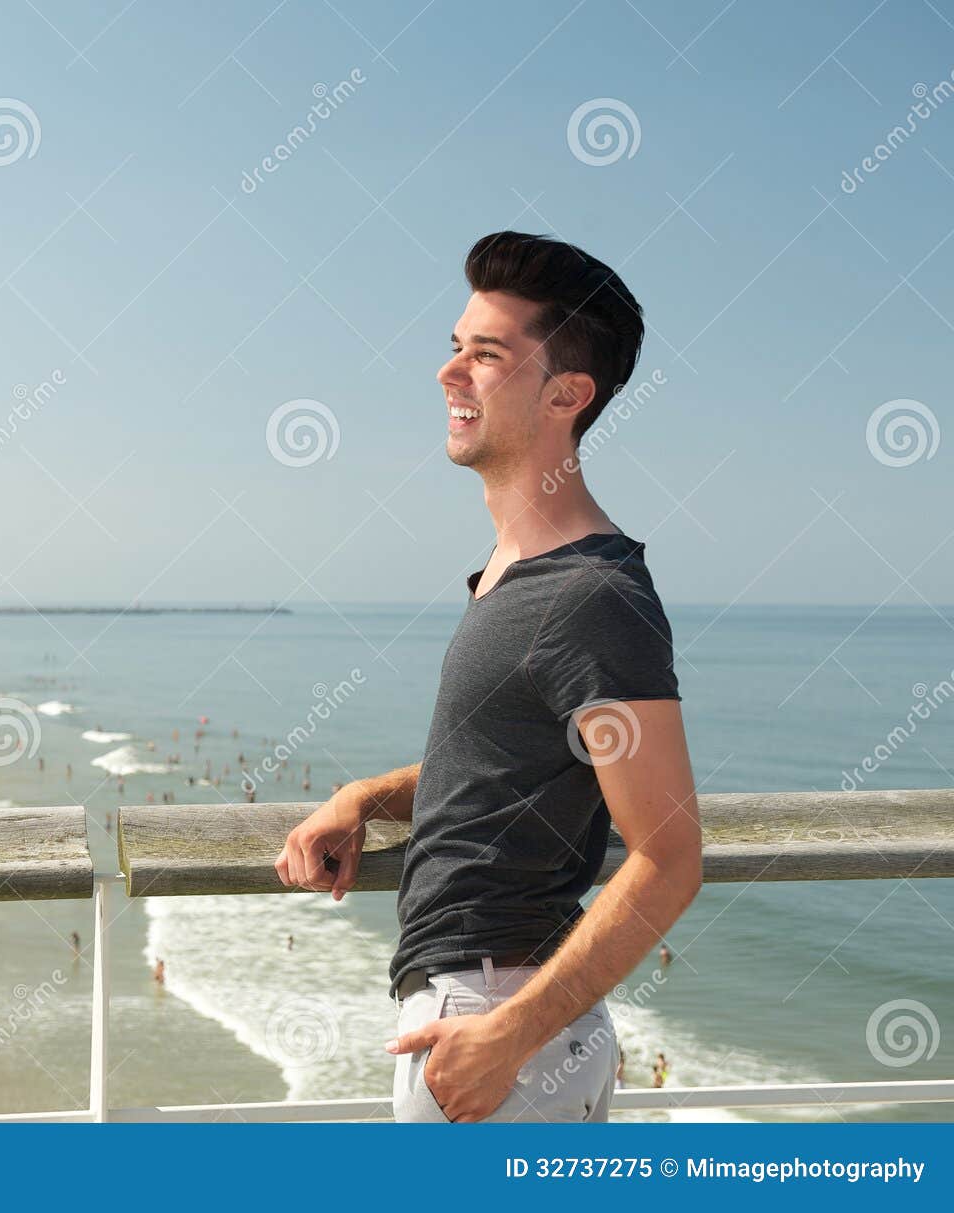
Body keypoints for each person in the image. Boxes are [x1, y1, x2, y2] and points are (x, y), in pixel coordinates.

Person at [277, 233, 701, 1125]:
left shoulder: (592, 596)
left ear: (567, 395)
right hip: (490, 1016)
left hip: (500, 1028)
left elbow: (669, 856)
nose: (449, 371)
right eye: (455, 345)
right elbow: (506, 767)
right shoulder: (513, 575)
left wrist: (508, 1035)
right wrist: (364, 797)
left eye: (487, 354)